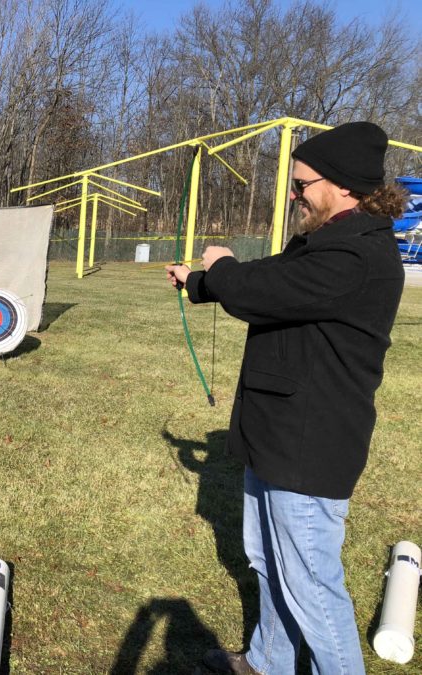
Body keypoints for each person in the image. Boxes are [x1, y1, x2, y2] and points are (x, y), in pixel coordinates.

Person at [166, 121, 406, 675]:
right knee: (269, 561)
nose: (295, 195)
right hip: (278, 434)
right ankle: (269, 662)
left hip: (309, 444)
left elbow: (255, 291)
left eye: (302, 184)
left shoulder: (356, 254)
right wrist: (198, 281)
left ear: (343, 185)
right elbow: (271, 279)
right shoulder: (325, 241)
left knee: (313, 588)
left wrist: (220, 262)